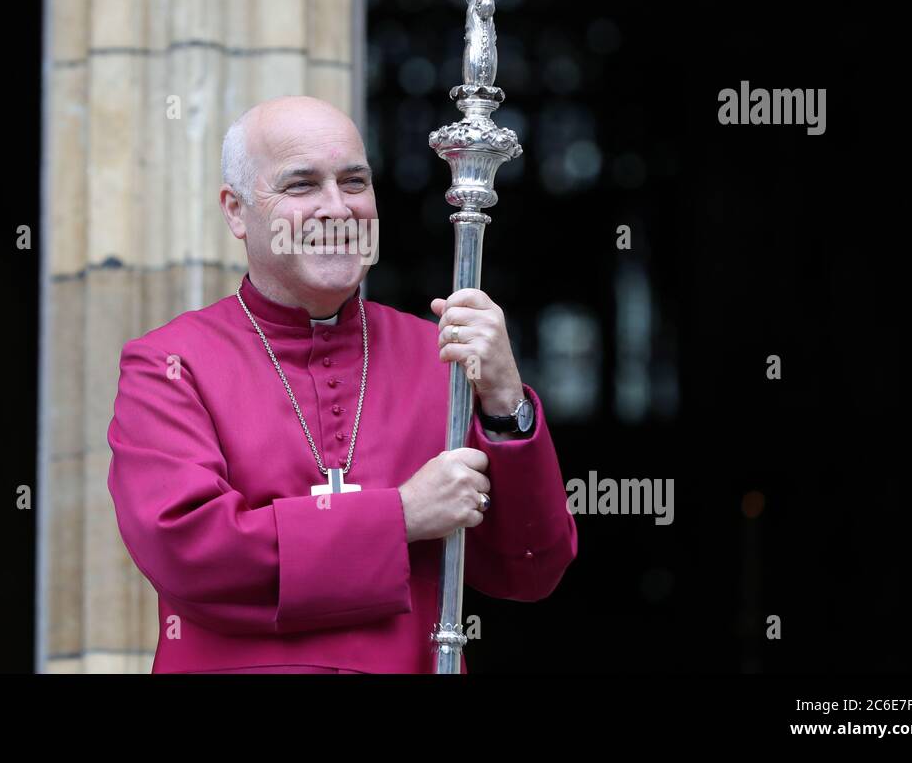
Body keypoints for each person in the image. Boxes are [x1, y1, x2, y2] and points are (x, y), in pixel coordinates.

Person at [106, 95, 576, 673]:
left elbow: (530, 568)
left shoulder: (439, 358)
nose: (337, 208)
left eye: (353, 182)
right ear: (236, 211)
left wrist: (505, 402)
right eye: (301, 185)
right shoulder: (171, 364)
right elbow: (188, 550)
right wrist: (399, 516)